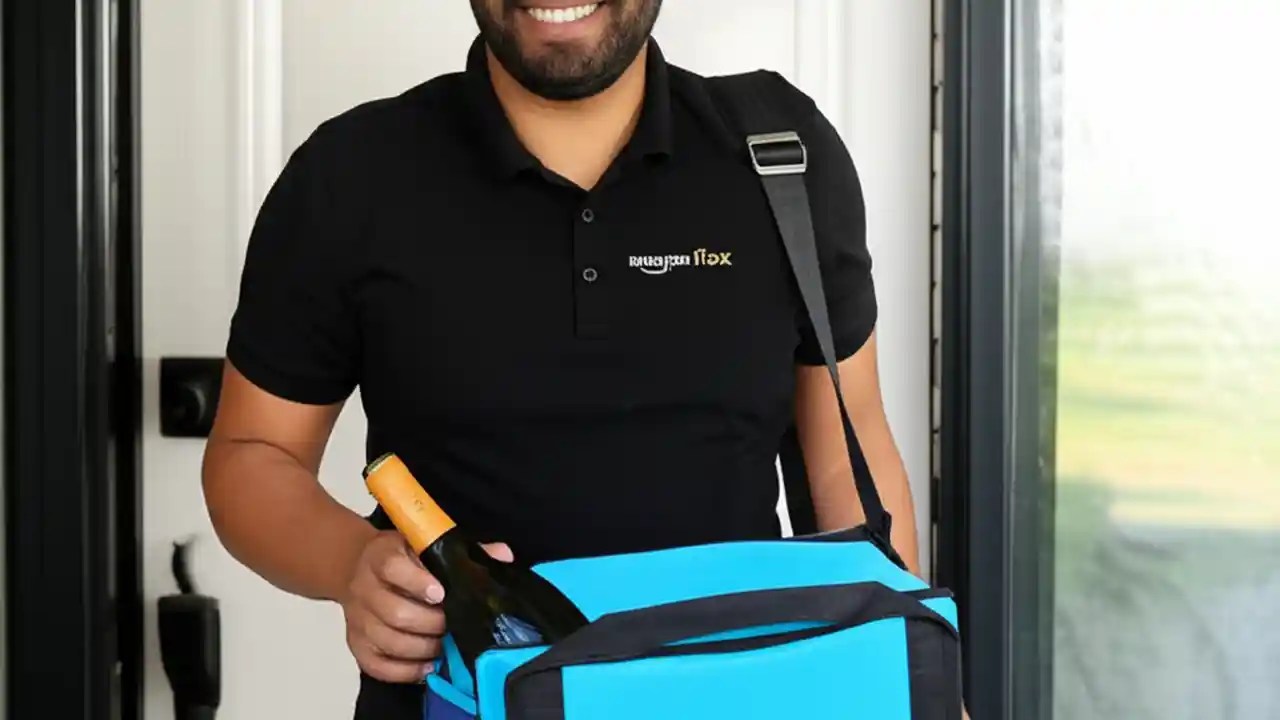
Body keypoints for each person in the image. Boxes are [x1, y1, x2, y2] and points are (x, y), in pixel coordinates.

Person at [202, 1, 922, 718]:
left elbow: (848, 452)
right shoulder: (352, 174)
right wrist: (350, 563)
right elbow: (252, 452)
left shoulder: (783, 155)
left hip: (746, 696)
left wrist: (920, 686)